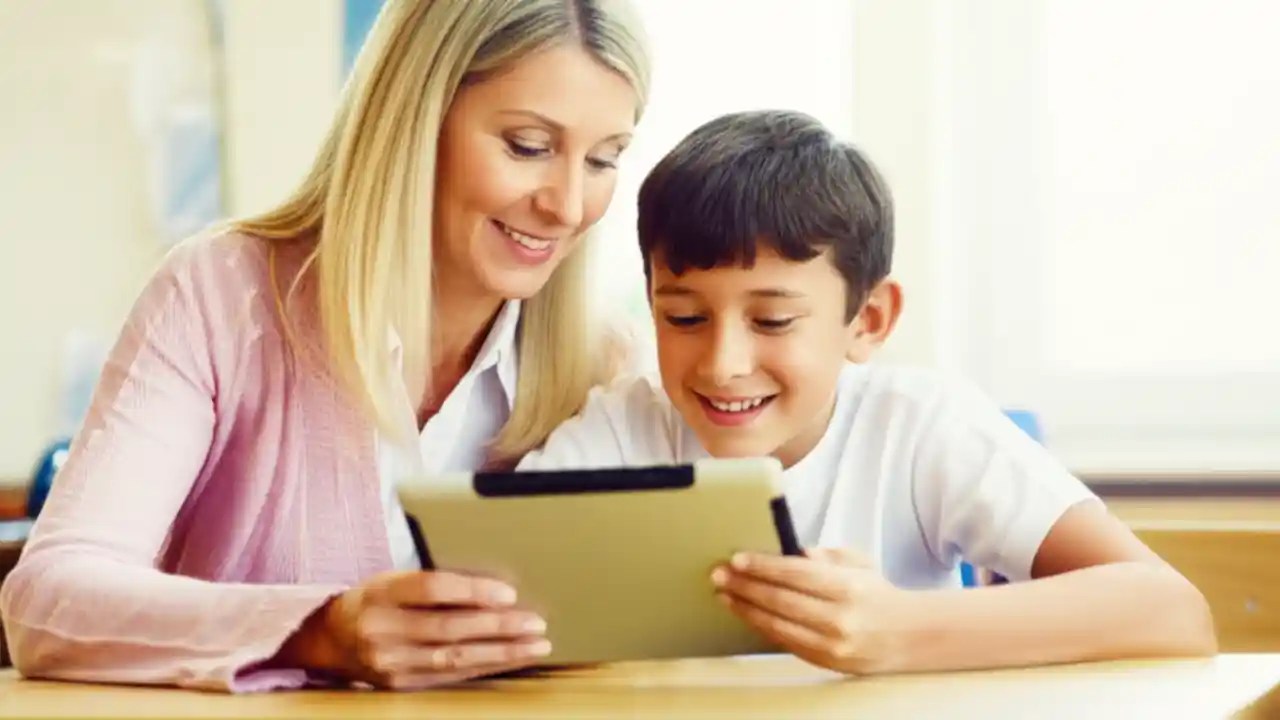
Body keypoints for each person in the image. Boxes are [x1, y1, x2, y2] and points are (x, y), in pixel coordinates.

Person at [0, 0, 649, 692]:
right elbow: (46, 604)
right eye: (528, 146)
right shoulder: (222, 296)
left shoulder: (602, 362)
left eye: (605, 159)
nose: (569, 205)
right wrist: (317, 630)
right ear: (414, 120)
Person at [517, 109, 1217, 675]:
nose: (723, 364)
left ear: (869, 320)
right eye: (685, 317)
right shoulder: (617, 431)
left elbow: (1172, 612)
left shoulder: (919, 427)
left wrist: (901, 630)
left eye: (773, 320)